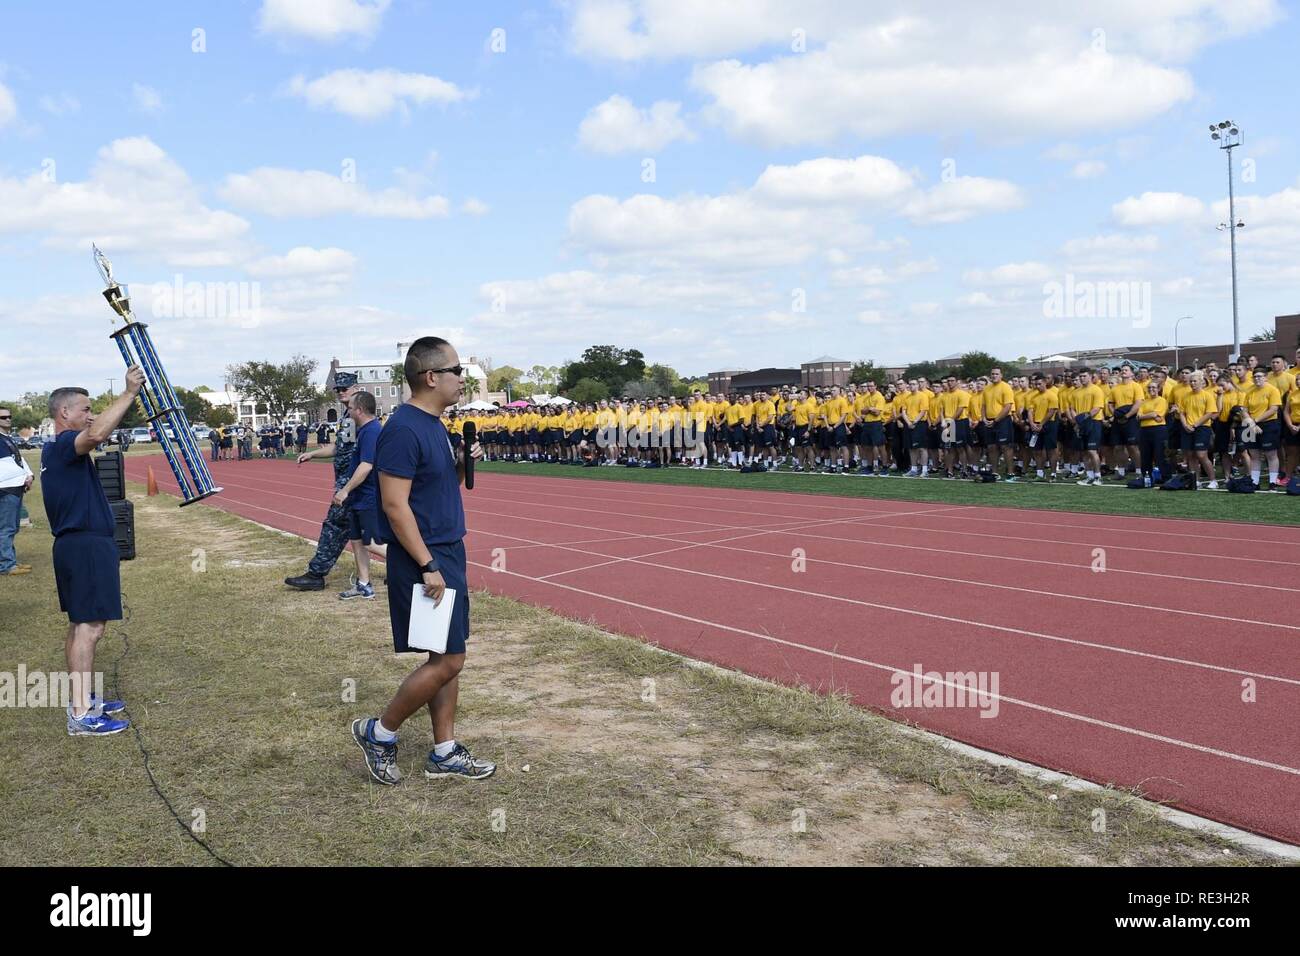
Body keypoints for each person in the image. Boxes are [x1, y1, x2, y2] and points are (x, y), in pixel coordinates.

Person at [351, 336, 494, 785]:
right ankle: (380, 731)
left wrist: (462, 465)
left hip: (446, 549)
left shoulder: (436, 425)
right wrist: (427, 564)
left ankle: (445, 750)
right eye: (457, 371)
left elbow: (433, 488)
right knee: (449, 661)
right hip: (426, 558)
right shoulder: (404, 429)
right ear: (432, 377)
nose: (462, 379)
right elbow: (395, 505)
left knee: (447, 653)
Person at [42, 368, 143, 736]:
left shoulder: (59, 450)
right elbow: (99, 433)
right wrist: (129, 393)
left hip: (78, 544)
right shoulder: (65, 445)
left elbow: (99, 432)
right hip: (83, 544)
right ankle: (83, 714)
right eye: (85, 409)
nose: (91, 415)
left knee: (80, 623)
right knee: (91, 627)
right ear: (64, 413)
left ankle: (82, 698)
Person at [284, 373, 361, 590]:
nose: (340, 392)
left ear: (355, 387)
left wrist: (347, 486)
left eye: (344, 388)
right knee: (362, 531)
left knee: (335, 526)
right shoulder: (348, 415)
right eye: (337, 389)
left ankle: (316, 574)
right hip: (347, 481)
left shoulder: (359, 414)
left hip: (352, 482)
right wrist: (313, 454)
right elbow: (339, 448)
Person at [334, 392, 386, 600]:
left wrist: (345, 489)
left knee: (370, 541)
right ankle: (363, 584)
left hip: (368, 497)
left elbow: (366, 466)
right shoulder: (362, 431)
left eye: (351, 407)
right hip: (358, 498)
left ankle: (411, 566)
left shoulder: (372, 431)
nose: (348, 410)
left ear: (360, 410)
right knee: (356, 541)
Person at [0, 405, 35, 575]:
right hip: (7, 488)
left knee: (11, 527)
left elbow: (19, 461)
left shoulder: (7, 438)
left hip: (15, 487)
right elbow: (6, 467)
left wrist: (29, 475)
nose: (8, 419)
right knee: (6, 528)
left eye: (9, 416)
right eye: (3, 417)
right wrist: (25, 477)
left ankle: (10, 560)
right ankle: (7, 565)